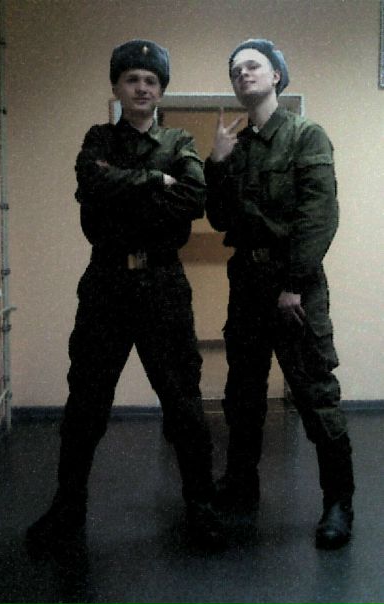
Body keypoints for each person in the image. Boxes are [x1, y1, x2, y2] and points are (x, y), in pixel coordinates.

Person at [26, 39, 224, 554]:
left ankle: (201, 506)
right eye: (132, 79)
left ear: (161, 91)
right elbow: (91, 186)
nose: (141, 88)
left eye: (151, 81)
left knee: (183, 402)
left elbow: (193, 199)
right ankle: (67, 507)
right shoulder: (98, 139)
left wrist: (123, 190)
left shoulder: (179, 140)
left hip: (163, 285)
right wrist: (155, 180)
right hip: (107, 284)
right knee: (86, 402)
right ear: (116, 87)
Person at [204, 39, 354, 549]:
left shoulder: (306, 135)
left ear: (276, 77)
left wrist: (293, 284)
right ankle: (241, 484)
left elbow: (319, 216)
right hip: (247, 284)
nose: (243, 74)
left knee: (315, 394)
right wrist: (217, 163)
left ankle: (338, 502)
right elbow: (220, 219)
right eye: (236, 70)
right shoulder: (237, 145)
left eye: (253, 66)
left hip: (294, 286)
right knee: (243, 395)